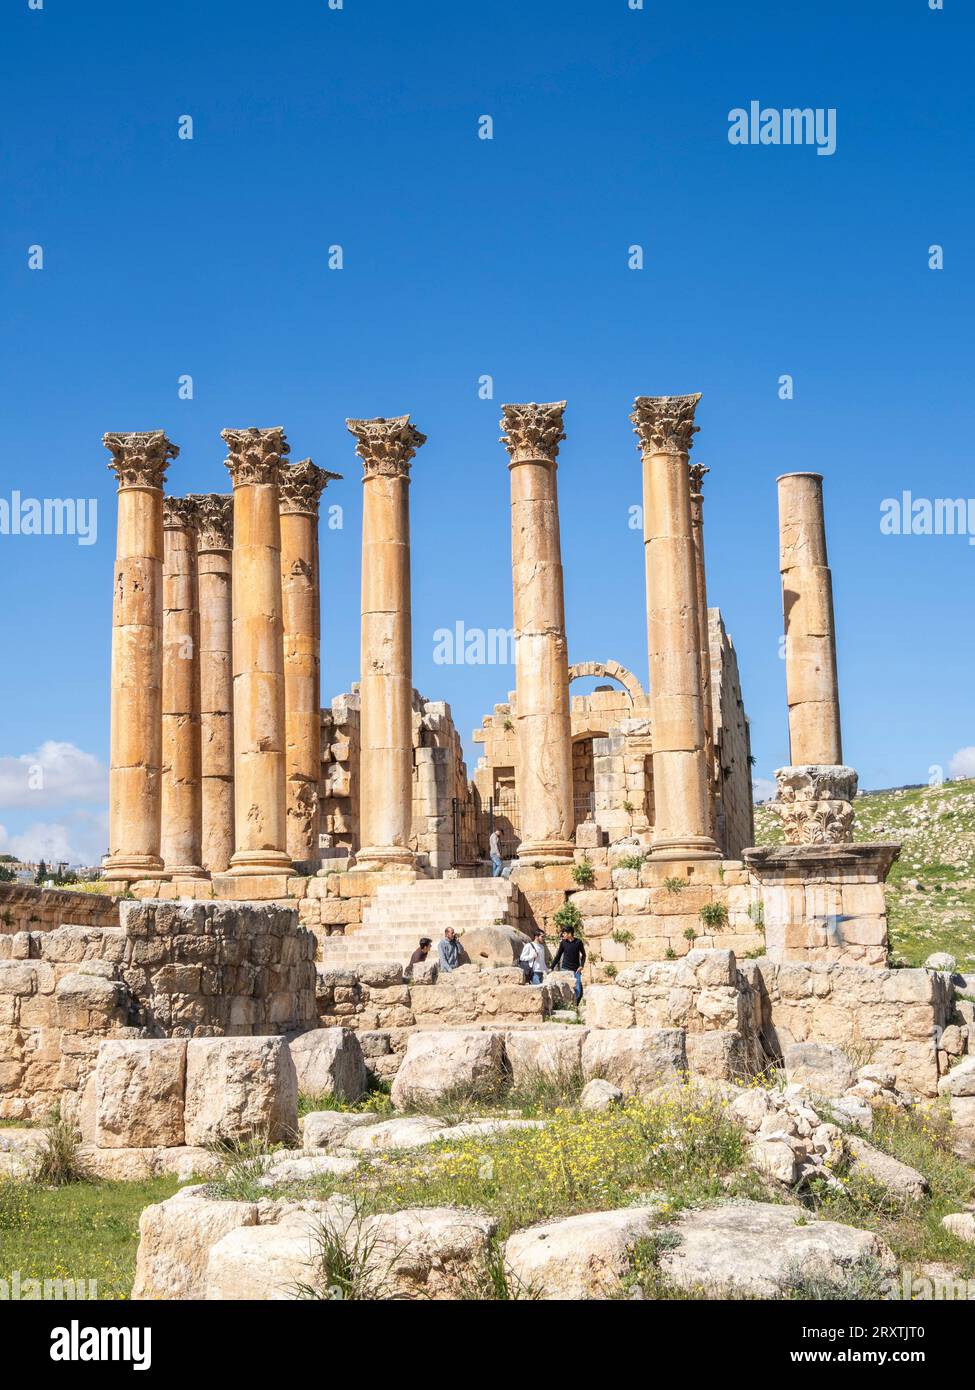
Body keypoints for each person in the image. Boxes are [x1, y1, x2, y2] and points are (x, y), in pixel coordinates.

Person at [551, 925, 586, 1003]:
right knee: (566, 989)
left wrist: (581, 966)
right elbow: (558, 956)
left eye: (564, 933)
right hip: (565, 969)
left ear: (570, 933)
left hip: (576, 970)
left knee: (578, 989)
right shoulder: (563, 943)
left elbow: (584, 955)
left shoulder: (578, 942)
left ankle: (574, 1005)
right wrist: (551, 967)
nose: (563, 934)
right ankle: (568, 1005)